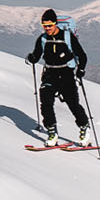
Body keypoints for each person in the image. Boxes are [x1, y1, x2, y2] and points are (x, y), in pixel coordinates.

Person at [25, 8, 90, 147]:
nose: (47, 28)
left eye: (49, 25)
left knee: (73, 104)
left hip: (66, 74)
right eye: (44, 26)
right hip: (50, 73)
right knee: (45, 101)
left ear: (55, 23)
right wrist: (32, 58)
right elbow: (37, 55)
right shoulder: (43, 39)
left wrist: (81, 69)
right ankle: (52, 132)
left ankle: (84, 126)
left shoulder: (67, 36)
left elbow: (82, 55)